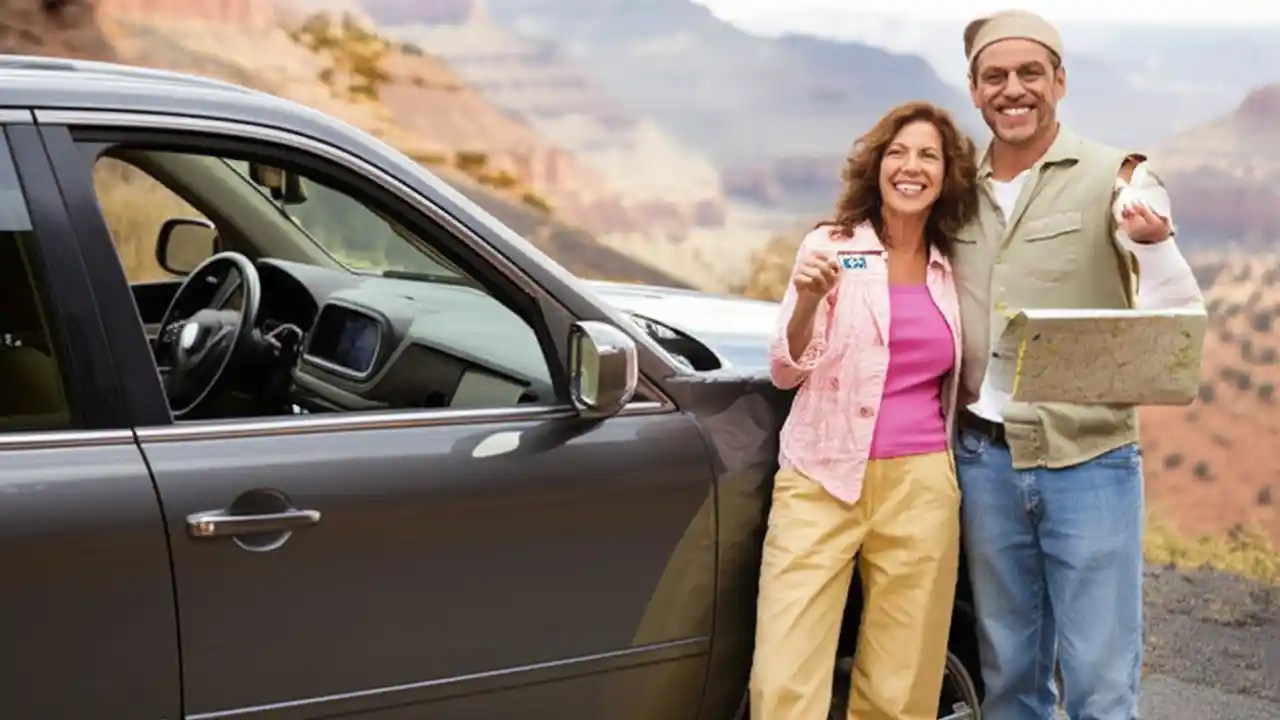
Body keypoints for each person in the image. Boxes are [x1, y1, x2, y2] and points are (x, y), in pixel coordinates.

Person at [952, 10, 1206, 720]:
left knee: (1098, 688)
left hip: (1089, 462)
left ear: (1059, 82)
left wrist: (1153, 245)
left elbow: (1171, 310)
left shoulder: (1116, 175)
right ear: (974, 90)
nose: (1014, 89)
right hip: (985, 463)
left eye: (1031, 73)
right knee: (1009, 683)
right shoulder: (954, 187)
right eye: (995, 76)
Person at [750, 101, 978, 720]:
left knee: (902, 686)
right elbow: (785, 367)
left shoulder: (950, 265)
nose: (912, 167)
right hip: (820, 478)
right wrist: (805, 301)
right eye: (898, 153)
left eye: (928, 155)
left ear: (946, 173)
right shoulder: (834, 247)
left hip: (922, 485)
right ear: (876, 166)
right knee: (784, 679)